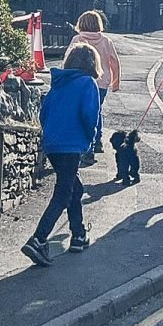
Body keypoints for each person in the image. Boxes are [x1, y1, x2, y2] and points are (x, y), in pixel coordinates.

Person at [23, 41, 102, 266]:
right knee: (63, 193)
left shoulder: (58, 84)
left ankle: (78, 235)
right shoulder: (88, 83)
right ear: (92, 64)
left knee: (74, 188)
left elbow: (44, 113)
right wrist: (90, 140)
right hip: (71, 145)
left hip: (53, 145)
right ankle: (39, 239)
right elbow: (90, 115)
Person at [74, 9, 121, 164]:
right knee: (96, 110)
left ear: (81, 24)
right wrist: (115, 82)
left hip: (81, 83)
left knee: (83, 113)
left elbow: (68, 60)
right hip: (101, 82)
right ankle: (98, 141)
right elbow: (114, 62)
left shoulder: (77, 39)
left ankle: (88, 146)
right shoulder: (106, 41)